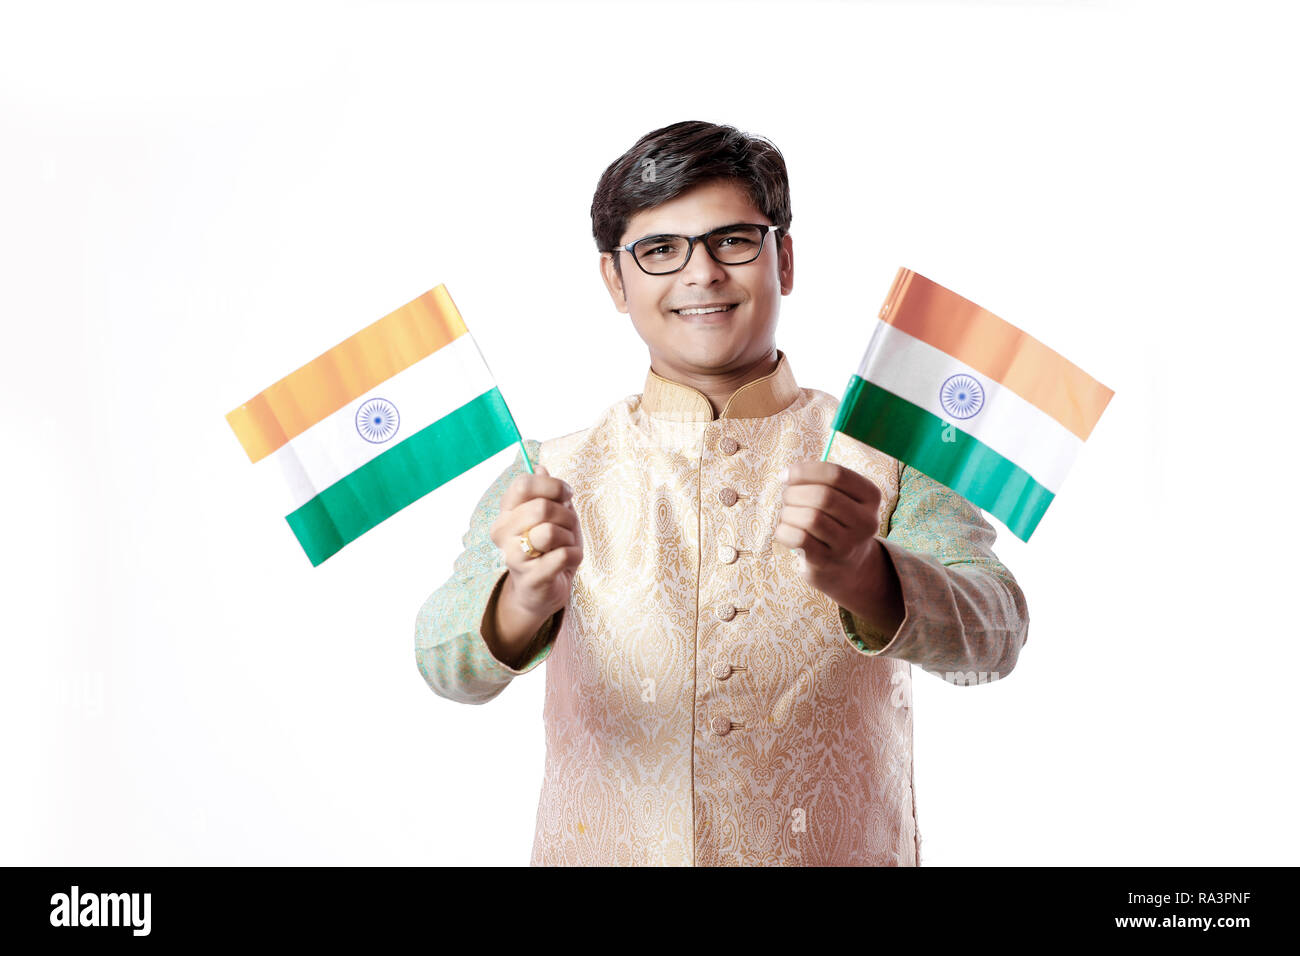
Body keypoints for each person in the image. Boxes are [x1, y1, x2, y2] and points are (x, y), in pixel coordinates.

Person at [414, 120, 1030, 866]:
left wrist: (871, 578)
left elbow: (996, 638)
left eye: (732, 241)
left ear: (785, 258)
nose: (700, 273)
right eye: (660, 250)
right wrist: (519, 600)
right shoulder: (546, 476)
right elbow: (441, 662)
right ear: (616, 279)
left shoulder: (885, 455)